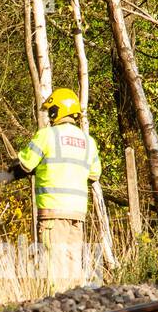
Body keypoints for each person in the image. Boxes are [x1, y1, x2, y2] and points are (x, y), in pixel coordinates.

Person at [10, 87, 101, 286]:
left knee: (54, 268)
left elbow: (25, 164)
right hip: (77, 215)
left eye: (51, 111)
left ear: (56, 111)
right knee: (73, 268)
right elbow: (94, 174)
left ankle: (56, 309)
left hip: (52, 213)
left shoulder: (46, 135)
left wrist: (13, 170)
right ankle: (76, 308)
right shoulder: (89, 141)